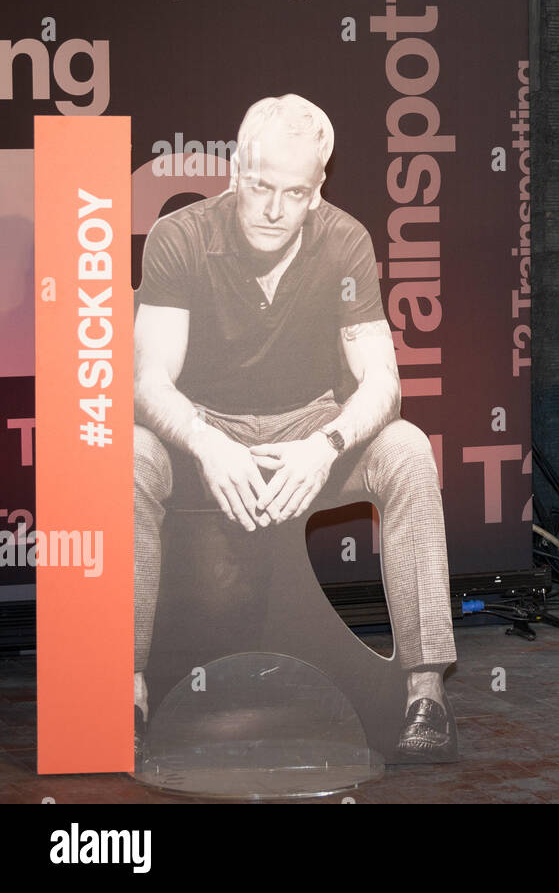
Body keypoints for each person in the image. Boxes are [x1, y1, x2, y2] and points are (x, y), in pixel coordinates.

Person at [132, 93, 455, 759]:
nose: (275, 209)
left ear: (317, 190)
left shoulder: (344, 239)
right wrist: (205, 440)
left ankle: (426, 692)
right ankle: (126, 687)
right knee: (130, 456)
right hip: (202, 431)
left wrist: (326, 442)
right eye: (260, 186)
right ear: (235, 172)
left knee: (407, 449)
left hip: (309, 426)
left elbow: (382, 383)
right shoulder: (181, 237)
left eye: (295, 191)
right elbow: (147, 383)